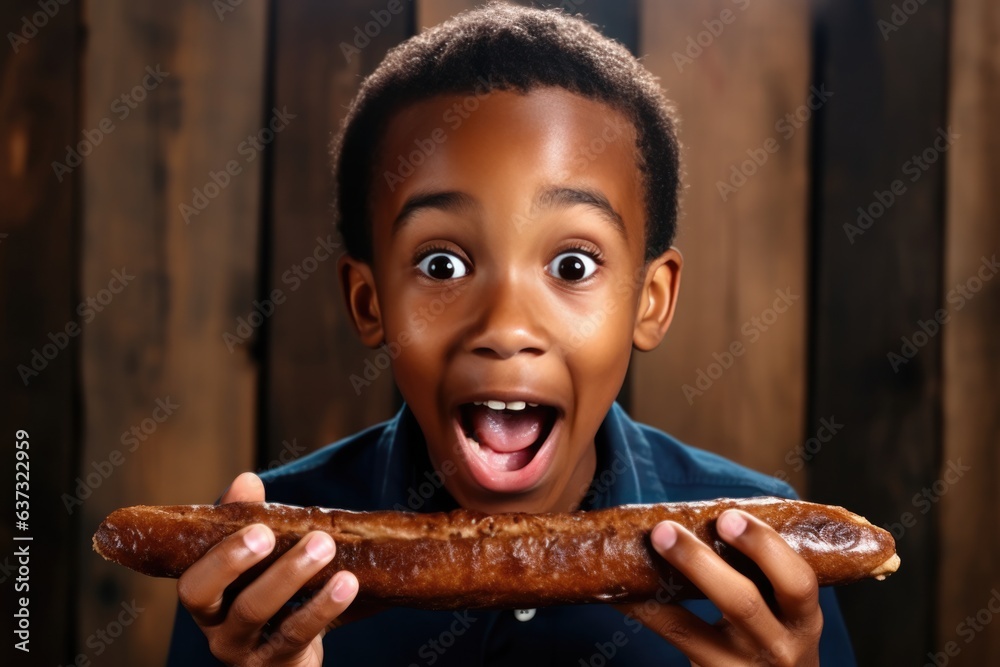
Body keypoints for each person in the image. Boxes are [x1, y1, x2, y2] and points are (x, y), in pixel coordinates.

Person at [167, 4, 856, 665]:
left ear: (650, 300)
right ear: (368, 300)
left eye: (573, 265)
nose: (505, 327)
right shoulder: (252, 581)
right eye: (442, 265)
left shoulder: (771, 566)